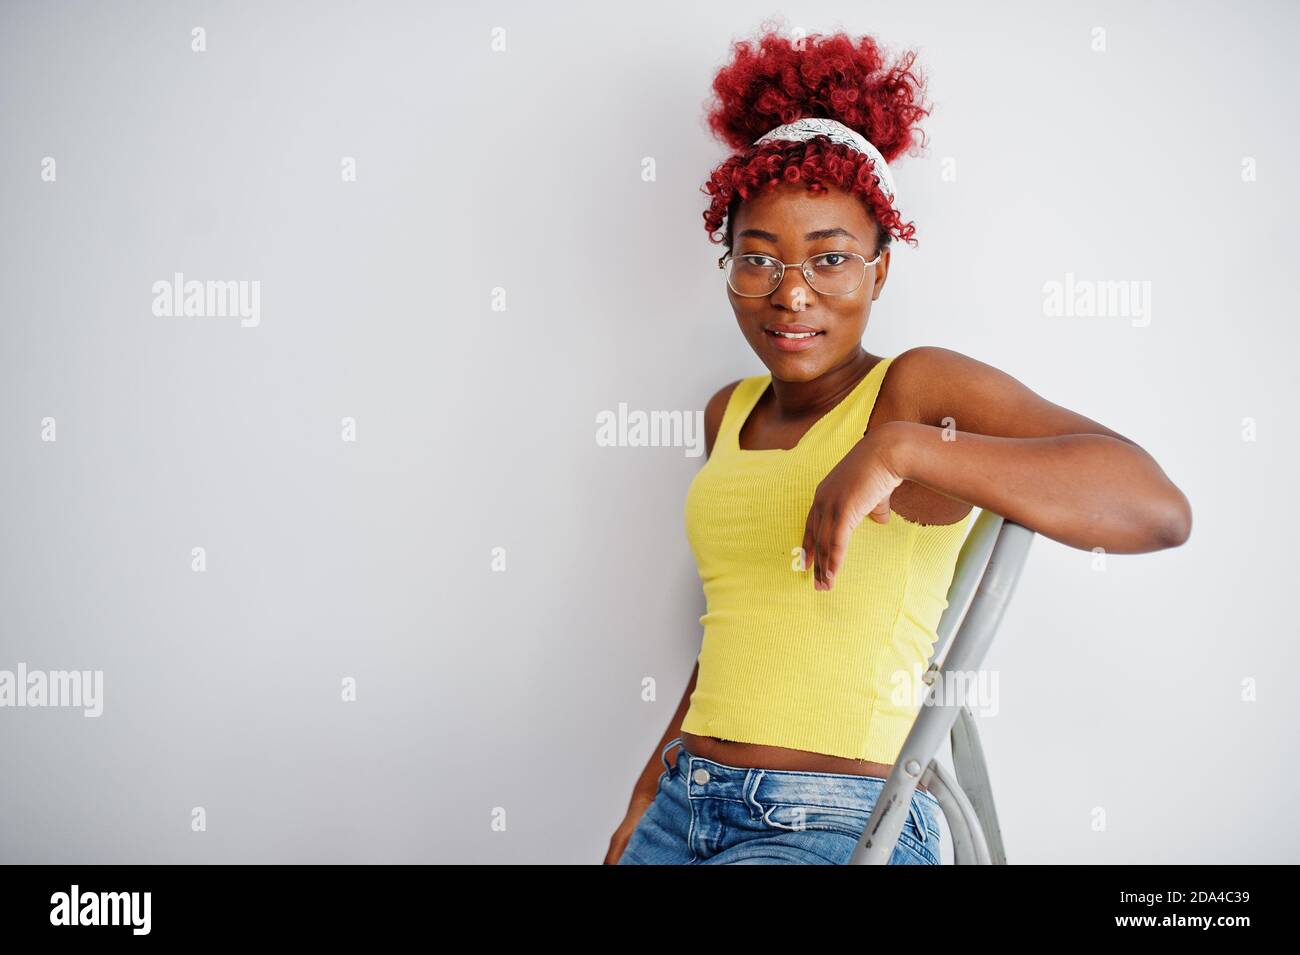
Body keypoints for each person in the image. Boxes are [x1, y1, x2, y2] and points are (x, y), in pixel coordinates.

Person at [606, 26, 1191, 865]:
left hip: (840, 818)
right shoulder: (725, 413)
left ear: (880, 270)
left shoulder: (912, 393)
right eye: (757, 259)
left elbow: (1154, 506)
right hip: (683, 802)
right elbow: (736, 627)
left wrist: (901, 451)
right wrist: (643, 795)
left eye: (830, 259)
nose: (791, 294)